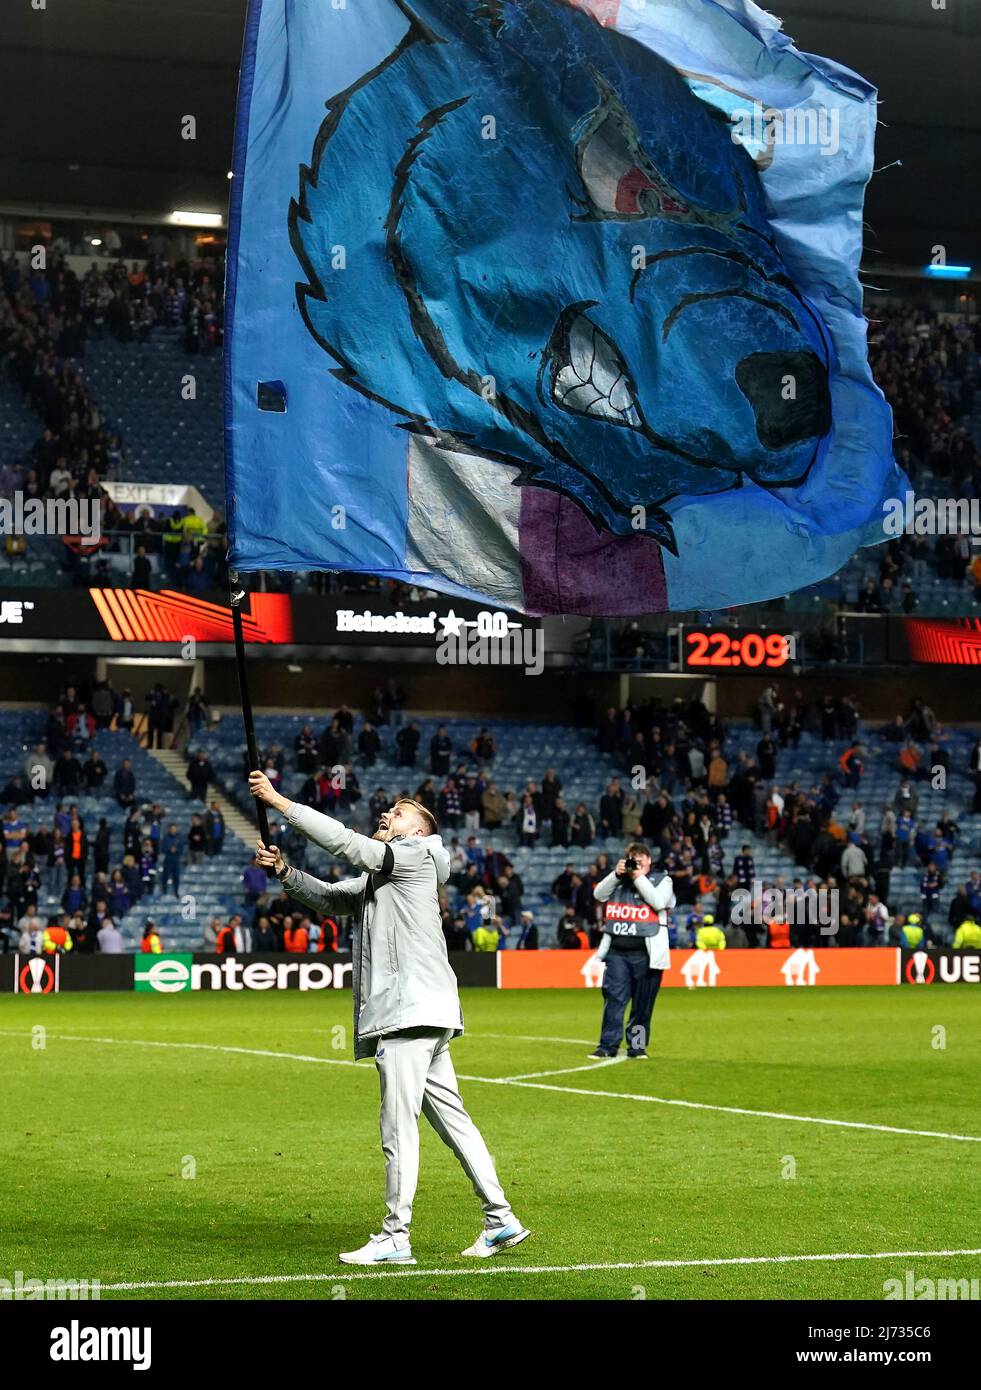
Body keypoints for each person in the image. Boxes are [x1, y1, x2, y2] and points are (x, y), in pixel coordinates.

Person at [249, 768, 529, 1265]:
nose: (386, 815)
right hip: (428, 1013)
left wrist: (280, 803)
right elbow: (334, 899)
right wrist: (285, 873)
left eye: (397, 814)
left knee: (398, 1128)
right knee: (455, 1124)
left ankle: (396, 1236)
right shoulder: (389, 873)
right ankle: (500, 1218)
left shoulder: (415, 857)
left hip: (408, 1013)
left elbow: (346, 843)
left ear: (419, 832)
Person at [589, 842, 674, 1060]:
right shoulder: (618, 882)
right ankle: (607, 1046)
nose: (637, 860)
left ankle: (636, 1047)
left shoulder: (663, 880)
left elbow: (658, 901)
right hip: (617, 951)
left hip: (647, 954)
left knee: (642, 1004)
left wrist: (637, 877)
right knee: (614, 999)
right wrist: (615, 875)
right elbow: (598, 894)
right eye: (632, 857)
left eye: (641, 857)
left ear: (649, 861)